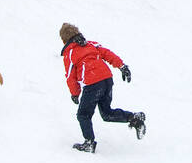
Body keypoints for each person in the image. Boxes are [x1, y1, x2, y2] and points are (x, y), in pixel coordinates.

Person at [59, 22, 145, 153]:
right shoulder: (90, 44)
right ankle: (134, 118)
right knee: (107, 113)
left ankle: (89, 142)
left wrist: (75, 93)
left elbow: (70, 75)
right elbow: (107, 54)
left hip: (93, 83)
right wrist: (122, 66)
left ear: (64, 39)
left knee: (83, 115)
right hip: (106, 79)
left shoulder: (70, 53)